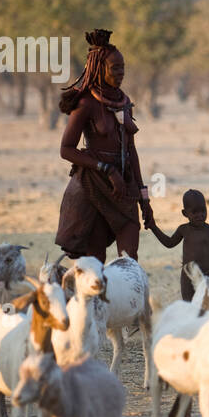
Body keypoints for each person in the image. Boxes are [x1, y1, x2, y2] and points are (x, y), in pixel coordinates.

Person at [55, 29, 153, 261]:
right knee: (94, 262)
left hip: (124, 184)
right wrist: (106, 169)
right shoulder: (86, 103)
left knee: (130, 258)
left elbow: (131, 151)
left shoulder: (123, 101)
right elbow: (66, 150)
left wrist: (144, 196)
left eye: (123, 68)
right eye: (115, 68)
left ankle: (128, 295)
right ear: (99, 69)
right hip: (95, 185)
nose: (121, 74)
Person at [146, 189, 209, 301]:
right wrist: (153, 227)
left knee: (207, 304)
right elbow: (169, 243)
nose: (200, 215)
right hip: (187, 278)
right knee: (189, 304)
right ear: (185, 213)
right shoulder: (183, 230)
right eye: (195, 212)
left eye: (203, 211)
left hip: (207, 276)